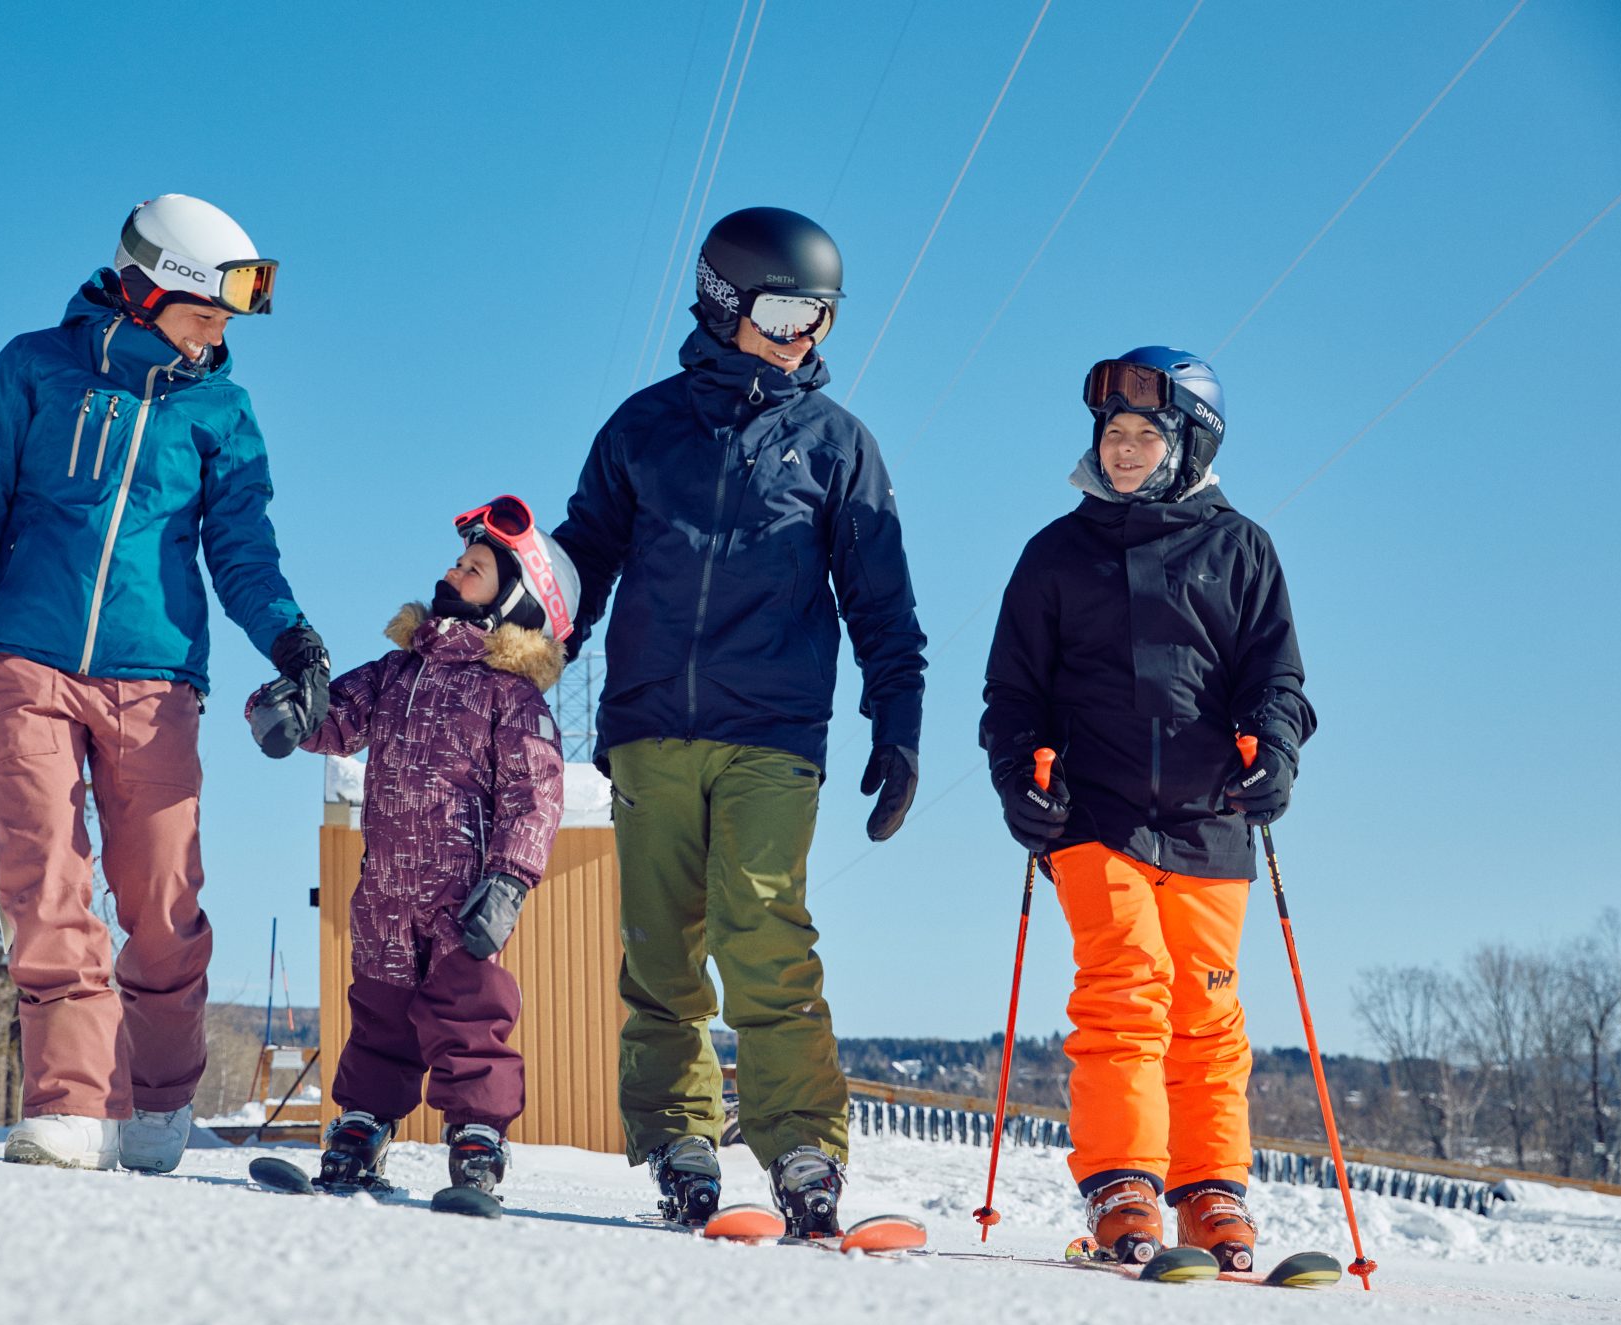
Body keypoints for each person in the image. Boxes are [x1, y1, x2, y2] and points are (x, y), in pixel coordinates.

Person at [0, 194, 332, 1173]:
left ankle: (156, 1096)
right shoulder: (34, 369)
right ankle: (73, 1100)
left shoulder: (221, 410)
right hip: (22, 657)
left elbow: (241, 550)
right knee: (44, 878)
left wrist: (291, 639)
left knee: (161, 903)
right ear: (150, 288)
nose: (219, 331)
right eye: (207, 308)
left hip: (154, 677)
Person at [553, 206, 927, 1235]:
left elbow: (881, 602)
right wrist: (525, 665)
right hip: (648, 728)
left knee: (763, 929)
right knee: (661, 950)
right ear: (723, 301)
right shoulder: (641, 427)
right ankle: (678, 1135)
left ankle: (800, 1142)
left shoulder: (837, 446)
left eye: (820, 313)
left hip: (773, 731)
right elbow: (580, 565)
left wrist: (897, 721)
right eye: (783, 307)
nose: (804, 331)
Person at [978, 347, 1315, 1271]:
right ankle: (1124, 1182)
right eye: (1113, 434)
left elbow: (1276, 678)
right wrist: (1019, 774)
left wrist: (1275, 750)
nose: (1124, 452)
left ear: (1192, 440)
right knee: (1126, 987)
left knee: (1207, 1009)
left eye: (1144, 435)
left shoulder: (1242, 548)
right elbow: (1013, 690)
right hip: (1097, 810)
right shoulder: (1057, 553)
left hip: (1212, 815)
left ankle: (1212, 1191)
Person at [268, 497, 570, 1197]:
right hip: (384, 892)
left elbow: (536, 793)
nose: (454, 570)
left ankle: (477, 1136)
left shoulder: (510, 694)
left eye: (474, 568)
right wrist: (289, 709)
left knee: (468, 1018)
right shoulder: (396, 670)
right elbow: (339, 716)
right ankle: (362, 1125)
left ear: (514, 601)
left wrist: (510, 879)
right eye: (458, 560)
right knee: (378, 1016)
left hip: (460, 897)